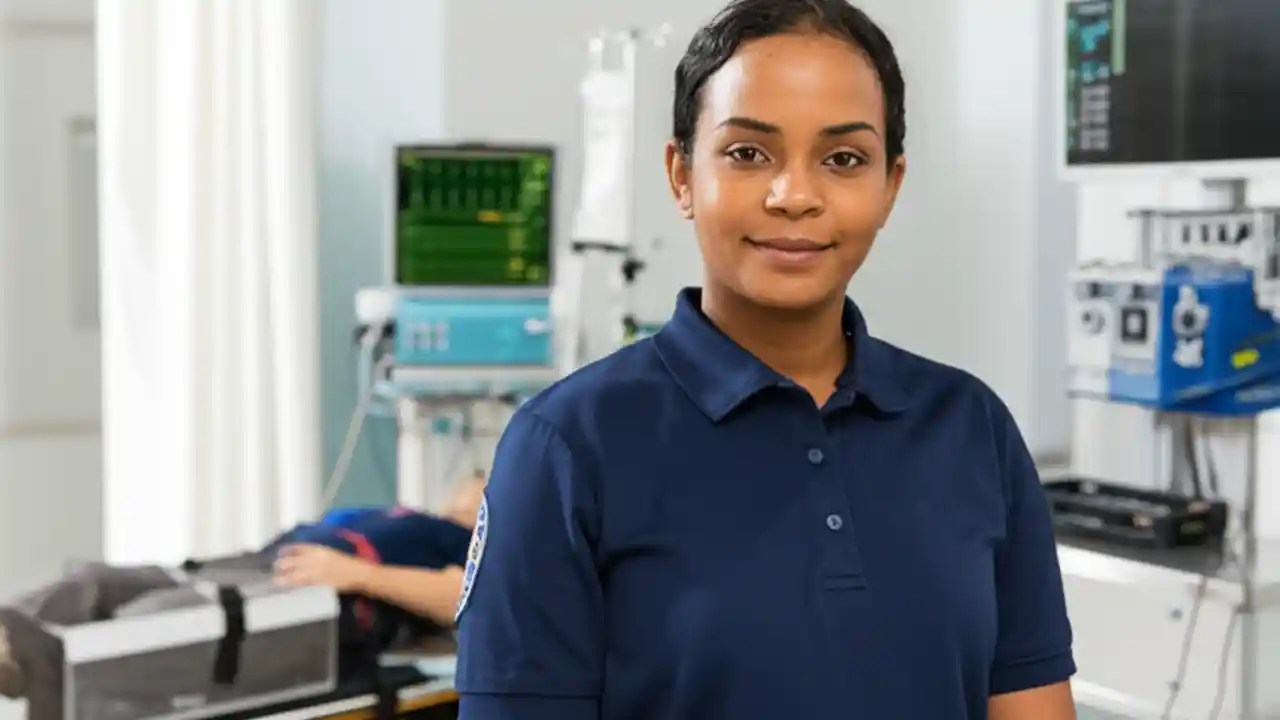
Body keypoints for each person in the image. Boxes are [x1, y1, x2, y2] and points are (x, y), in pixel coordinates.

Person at [452, 1, 1077, 718]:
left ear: (890, 186)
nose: (795, 196)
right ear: (681, 175)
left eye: (844, 159)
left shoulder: (971, 430)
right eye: (748, 153)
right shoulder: (565, 447)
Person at [0, 471, 486, 703]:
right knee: (95, 583)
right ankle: (6, 641)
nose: (468, 481)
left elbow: (462, 597)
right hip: (253, 566)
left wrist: (355, 575)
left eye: (482, 477)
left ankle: (48, 662)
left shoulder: (473, 543)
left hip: (314, 598)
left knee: (178, 614)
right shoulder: (411, 516)